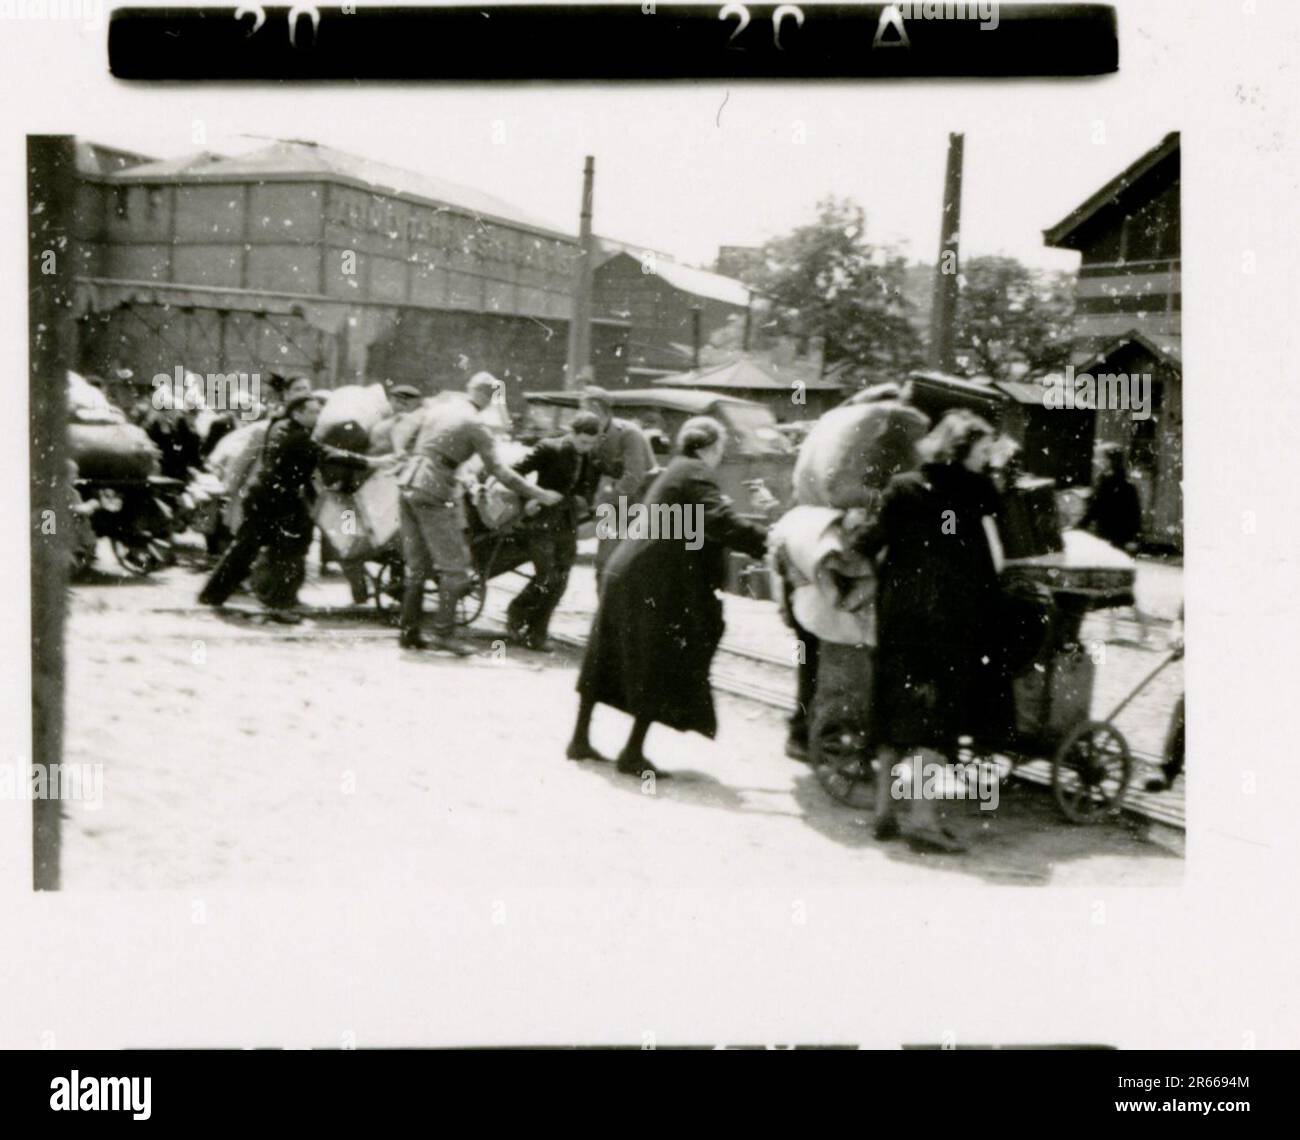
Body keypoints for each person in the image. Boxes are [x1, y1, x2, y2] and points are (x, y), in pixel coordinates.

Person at [567, 416, 771, 778]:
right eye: (721, 449)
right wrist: (765, 540)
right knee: (662, 659)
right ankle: (632, 753)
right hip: (651, 581)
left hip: (625, 570)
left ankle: (580, 739)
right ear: (709, 447)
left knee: (606, 656)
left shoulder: (674, 470)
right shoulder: (695, 472)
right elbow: (717, 519)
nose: (720, 457)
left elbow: (688, 526)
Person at [852, 410, 1006, 854]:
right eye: (982, 450)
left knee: (894, 709)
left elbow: (867, 542)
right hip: (948, 621)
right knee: (935, 721)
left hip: (900, 616)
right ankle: (920, 820)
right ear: (961, 451)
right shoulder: (974, 489)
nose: (987, 458)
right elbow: (996, 545)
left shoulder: (902, 486)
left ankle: (884, 812)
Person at [396, 372, 562, 653]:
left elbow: (407, 436)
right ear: (489, 396)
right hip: (435, 489)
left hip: (408, 482)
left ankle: (408, 631)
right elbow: (500, 472)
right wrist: (538, 494)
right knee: (457, 570)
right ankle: (443, 634)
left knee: (418, 568)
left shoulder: (439, 410)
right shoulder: (476, 425)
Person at [198, 394, 383, 621]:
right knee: (289, 550)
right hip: (278, 501)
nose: (317, 416)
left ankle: (214, 595)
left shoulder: (283, 427)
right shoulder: (295, 435)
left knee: (247, 549)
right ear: (297, 413)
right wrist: (371, 462)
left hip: (268, 497)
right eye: (312, 412)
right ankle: (280, 604)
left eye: (318, 411)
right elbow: (325, 453)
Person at [505, 411, 603, 650]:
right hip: (541, 522)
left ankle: (537, 633)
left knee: (561, 580)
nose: (585, 448)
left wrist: (583, 500)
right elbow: (513, 472)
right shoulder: (549, 448)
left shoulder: (589, 456)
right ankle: (516, 613)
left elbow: (587, 487)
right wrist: (531, 496)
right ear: (572, 433)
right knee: (547, 576)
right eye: (582, 442)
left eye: (591, 443)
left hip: (566, 522)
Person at [579, 386, 656, 588]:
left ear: (597, 409)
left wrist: (603, 506)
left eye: (583, 409)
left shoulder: (628, 433)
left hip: (641, 504)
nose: (581, 414)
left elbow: (633, 477)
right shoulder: (594, 436)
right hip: (617, 505)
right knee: (605, 565)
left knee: (620, 565)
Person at [1081, 442, 1142, 551]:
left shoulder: (1111, 484)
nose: (1098, 463)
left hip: (1112, 535)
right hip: (1113, 535)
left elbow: (1095, 507)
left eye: (1102, 459)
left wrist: (1081, 525)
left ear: (1111, 461)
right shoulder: (1123, 483)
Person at [369, 385, 425, 455]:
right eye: (397, 401)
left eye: (405, 403)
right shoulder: (383, 413)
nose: (400, 406)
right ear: (391, 400)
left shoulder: (413, 419)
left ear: (416, 403)